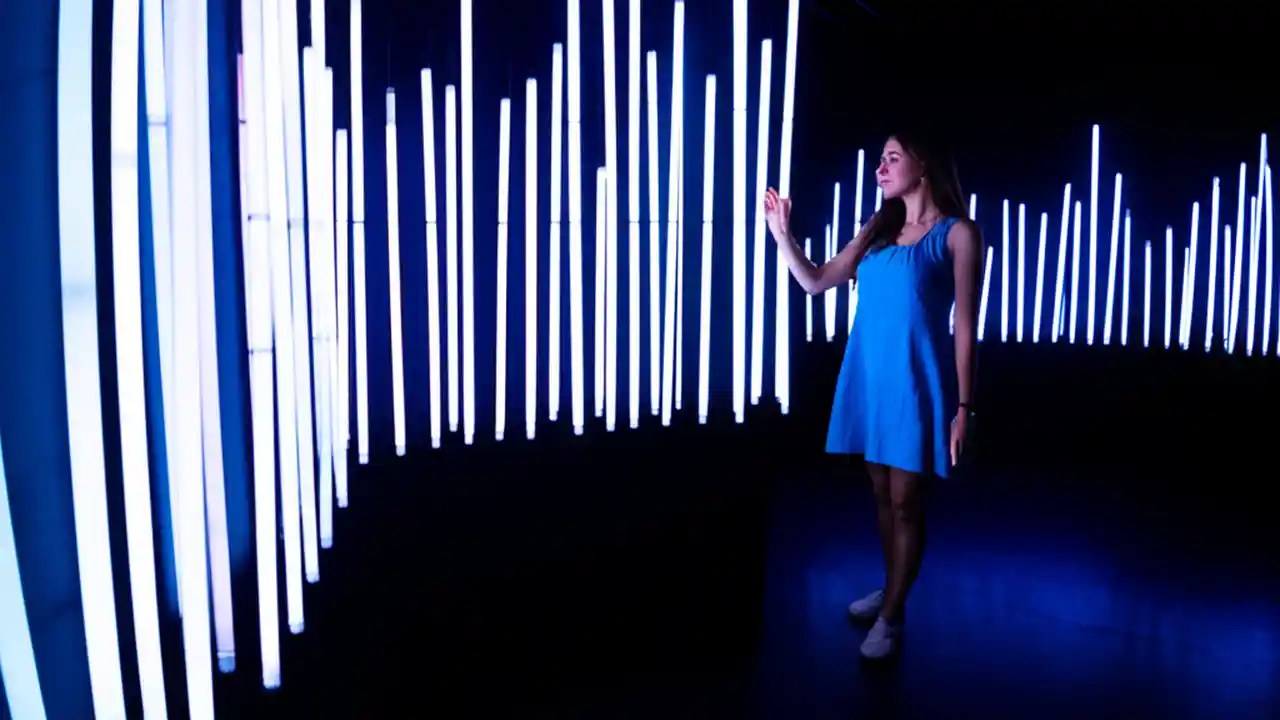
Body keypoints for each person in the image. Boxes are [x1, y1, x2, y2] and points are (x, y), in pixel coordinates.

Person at [762, 131, 982, 660]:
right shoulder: (877, 230)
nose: (880, 169)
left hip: (917, 385)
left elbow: (965, 328)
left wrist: (963, 409)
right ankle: (893, 585)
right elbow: (815, 282)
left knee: (907, 503)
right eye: (879, 160)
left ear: (923, 163)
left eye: (891, 158)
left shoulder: (957, 234)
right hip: (870, 381)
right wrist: (780, 232)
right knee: (882, 497)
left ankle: (893, 614)